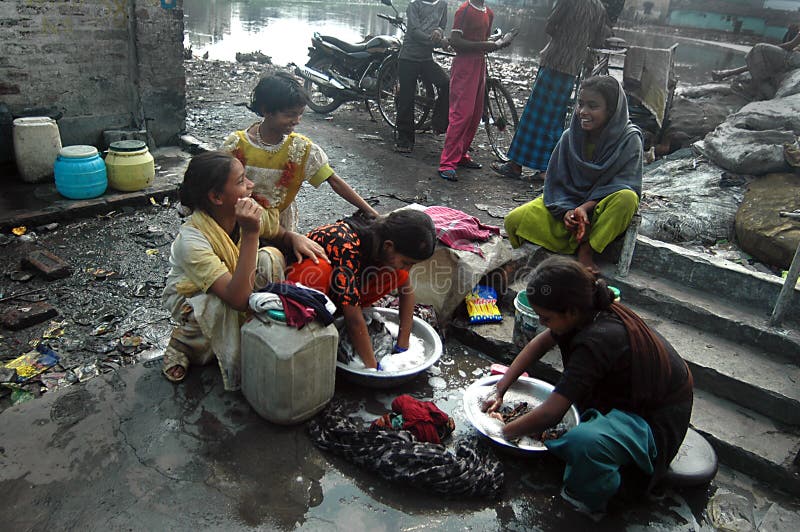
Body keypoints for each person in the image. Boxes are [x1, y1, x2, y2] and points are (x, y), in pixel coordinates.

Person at [483, 256, 693, 519]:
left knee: (582, 443)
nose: (542, 323)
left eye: (546, 317)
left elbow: (552, 414)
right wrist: (500, 389)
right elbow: (540, 343)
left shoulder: (596, 340)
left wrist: (501, 430)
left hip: (657, 420)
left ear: (569, 312)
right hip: (635, 395)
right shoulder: (584, 312)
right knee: (571, 408)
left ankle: (588, 503)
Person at [161, 151, 328, 388]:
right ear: (217, 197)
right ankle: (185, 344)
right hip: (196, 296)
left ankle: (253, 334)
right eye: (241, 181)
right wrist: (250, 233)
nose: (251, 185)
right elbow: (237, 299)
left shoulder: (243, 211)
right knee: (218, 307)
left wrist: (292, 237)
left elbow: (275, 231)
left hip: (237, 285)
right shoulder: (191, 239)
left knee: (270, 258)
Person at [503, 75, 642, 274]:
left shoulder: (629, 139)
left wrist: (585, 208)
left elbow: (625, 183)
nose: (583, 112)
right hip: (567, 205)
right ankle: (569, 242)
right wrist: (568, 210)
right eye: (580, 104)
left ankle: (587, 250)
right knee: (513, 221)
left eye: (593, 106)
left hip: (601, 211)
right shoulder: (570, 137)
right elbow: (556, 181)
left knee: (627, 199)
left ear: (611, 110)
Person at [222, 72, 379, 231]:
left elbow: (334, 181)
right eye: (290, 115)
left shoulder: (301, 149)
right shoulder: (236, 145)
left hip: (279, 228)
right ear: (266, 110)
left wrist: (375, 216)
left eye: (300, 114)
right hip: (238, 222)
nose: (297, 121)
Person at [286, 209, 436, 369]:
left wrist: (402, 345)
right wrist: (374, 368)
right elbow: (354, 320)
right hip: (303, 282)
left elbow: (407, 291)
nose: (408, 268)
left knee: (398, 274)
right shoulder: (346, 245)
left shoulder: (383, 240)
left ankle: (337, 313)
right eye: (406, 262)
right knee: (318, 270)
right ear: (388, 246)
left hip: (343, 284)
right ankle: (311, 325)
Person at [491, 0, 609, 180]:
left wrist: (567, 37)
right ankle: (546, 168)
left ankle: (515, 165)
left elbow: (551, 26)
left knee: (534, 115)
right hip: (573, 66)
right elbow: (599, 38)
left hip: (554, 60)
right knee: (554, 119)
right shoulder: (598, 7)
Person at [437, 0, 512, 182]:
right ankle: (447, 163)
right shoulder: (464, 10)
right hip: (464, 64)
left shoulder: (489, 13)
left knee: (476, 113)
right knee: (461, 114)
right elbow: (456, 42)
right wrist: (492, 45)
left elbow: (482, 41)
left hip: (480, 65)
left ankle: (461, 154)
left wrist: (497, 43)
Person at [394, 0, 451, 154]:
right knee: (407, 98)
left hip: (426, 59)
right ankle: (404, 139)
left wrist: (439, 31)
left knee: (446, 84)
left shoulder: (442, 4)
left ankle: (438, 123)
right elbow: (414, 31)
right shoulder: (414, 5)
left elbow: (442, 24)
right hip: (408, 58)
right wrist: (437, 41)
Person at [711, 32, 800, 100]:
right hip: (795, 58)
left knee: (759, 48)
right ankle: (726, 73)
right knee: (758, 60)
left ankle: (762, 85)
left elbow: (791, 45)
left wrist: (775, 48)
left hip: (795, 59)